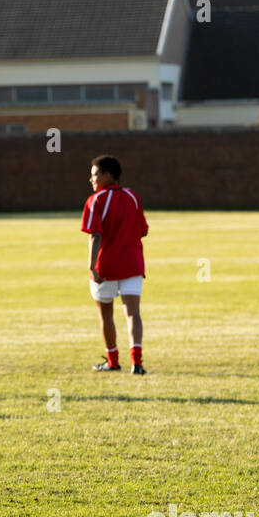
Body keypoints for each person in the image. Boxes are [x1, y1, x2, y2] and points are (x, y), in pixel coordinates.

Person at [81, 155, 148, 375]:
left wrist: (91, 266)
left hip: (106, 265)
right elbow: (143, 230)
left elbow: (95, 235)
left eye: (95, 175)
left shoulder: (96, 200)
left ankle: (113, 361)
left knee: (106, 315)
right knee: (133, 313)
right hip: (132, 264)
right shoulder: (133, 196)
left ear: (107, 175)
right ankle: (136, 363)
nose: (91, 179)